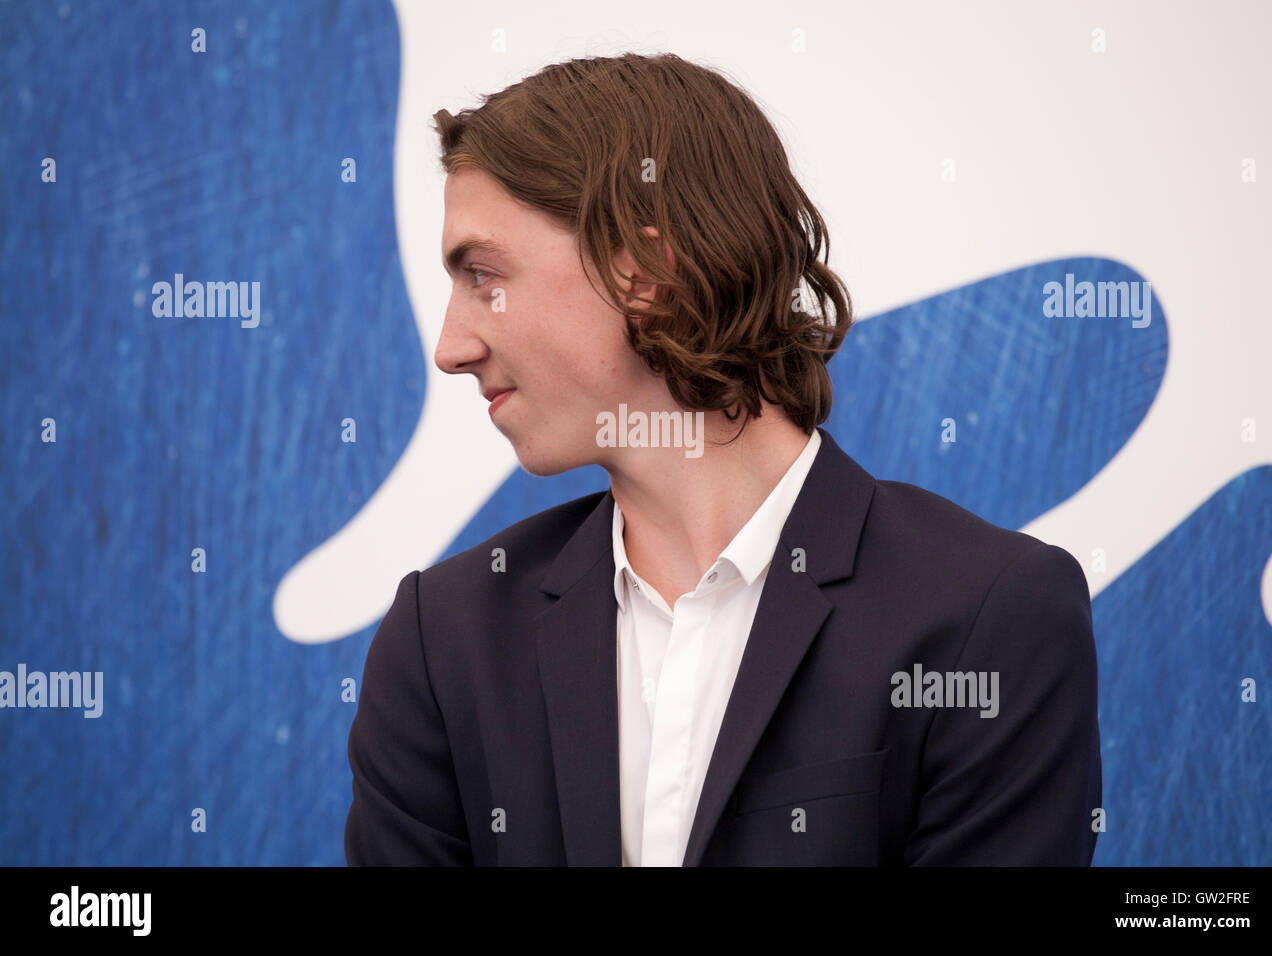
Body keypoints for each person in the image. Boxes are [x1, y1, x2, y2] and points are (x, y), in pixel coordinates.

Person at [344, 52, 1101, 866]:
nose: (451, 348)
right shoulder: (445, 641)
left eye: (484, 277)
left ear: (647, 270)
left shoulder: (988, 617)